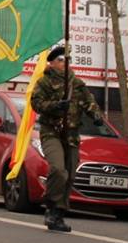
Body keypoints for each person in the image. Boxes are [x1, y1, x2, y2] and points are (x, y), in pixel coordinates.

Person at [31, 46, 105, 232]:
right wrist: (56, 106)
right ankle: (50, 204)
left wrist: (96, 115)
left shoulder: (77, 84)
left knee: (70, 175)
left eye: (67, 59)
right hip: (51, 132)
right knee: (58, 169)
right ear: (53, 63)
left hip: (71, 134)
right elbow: (36, 104)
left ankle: (59, 213)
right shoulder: (45, 82)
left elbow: (90, 103)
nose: (65, 63)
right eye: (62, 60)